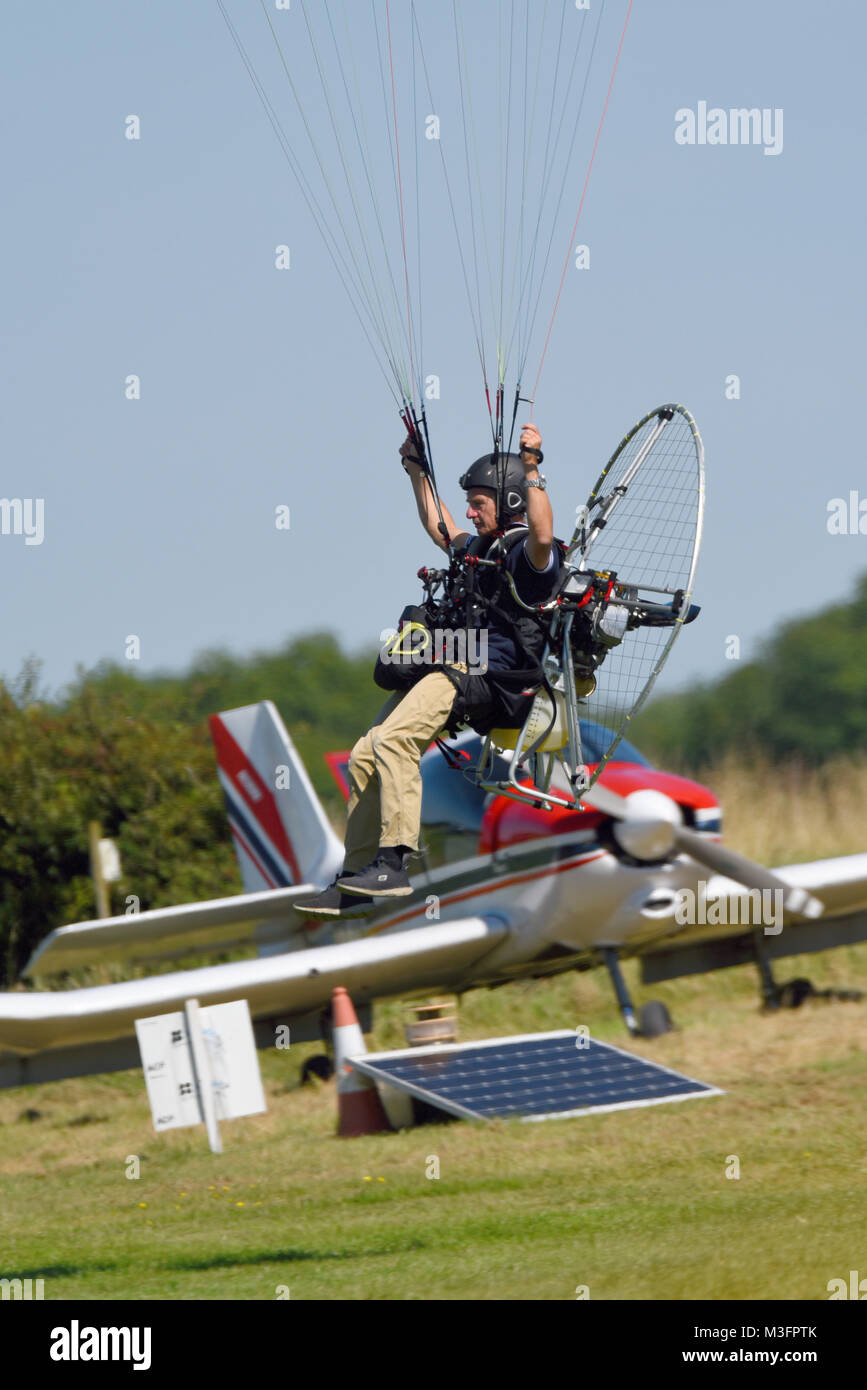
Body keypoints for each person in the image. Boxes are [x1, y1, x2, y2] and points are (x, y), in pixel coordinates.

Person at [294, 423, 560, 919]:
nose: (469, 511)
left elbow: (544, 533)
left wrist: (532, 469)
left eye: (479, 502)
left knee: (395, 741)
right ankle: (357, 876)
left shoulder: (530, 555)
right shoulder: (481, 549)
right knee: (365, 752)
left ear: (510, 503)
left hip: (491, 676)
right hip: (456, 662)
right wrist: (416, 470)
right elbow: (440, 526)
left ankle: (394, 862)